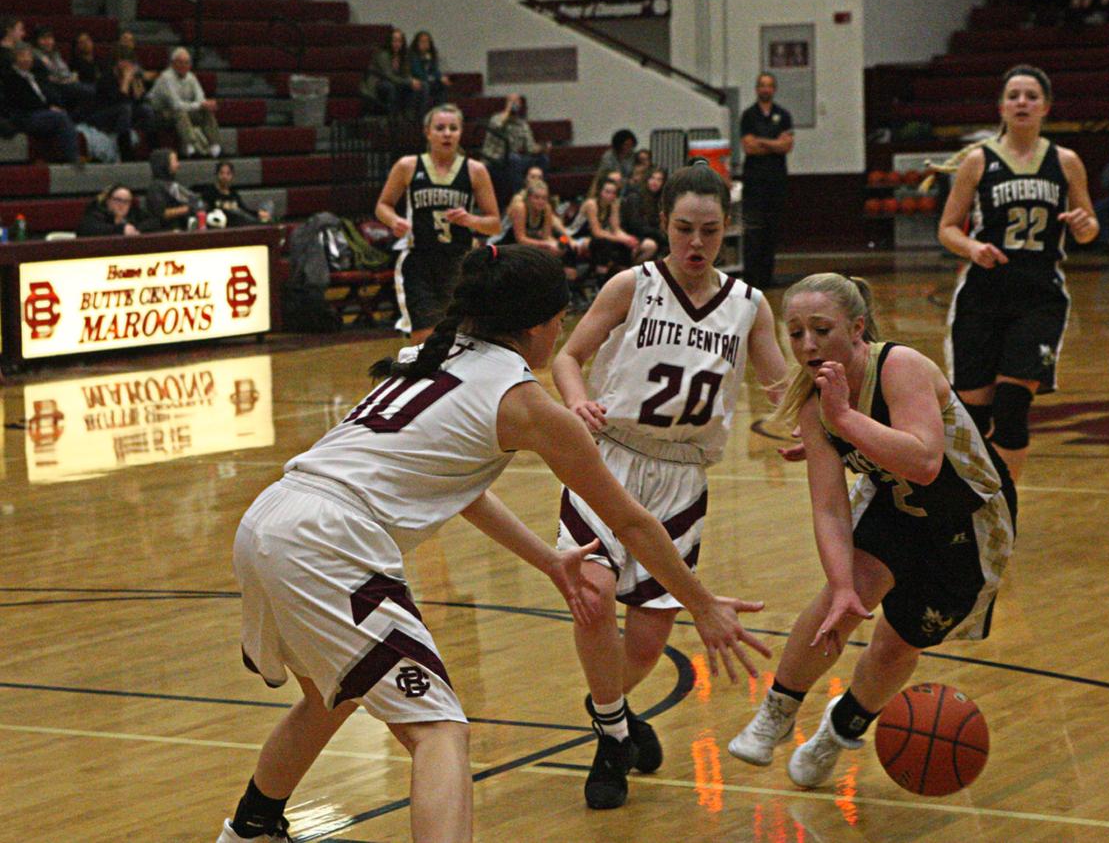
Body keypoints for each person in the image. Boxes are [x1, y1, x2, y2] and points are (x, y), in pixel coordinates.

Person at [213, 243, 770, 843]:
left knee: (333, 696)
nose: (561, 331)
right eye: (560, 318)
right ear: (537, 325)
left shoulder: (431, 356)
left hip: (271, 519)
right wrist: (702, 603)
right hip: (327, 542)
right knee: (440, 730)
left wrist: (549, 559)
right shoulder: (525, 403)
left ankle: (251, 828)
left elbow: (459, 489)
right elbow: (631, 523)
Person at [552, 163, 790, 809]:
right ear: (664, 225)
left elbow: (780, 387)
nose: (696, 243)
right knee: (593, 594)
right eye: (684, 228)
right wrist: (575, 401)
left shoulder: (749, 305)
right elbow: (568, 356)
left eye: (709, 231)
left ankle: (611, 711)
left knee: (648, 640)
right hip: (610, 457)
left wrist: (812, 427)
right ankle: (612, 740)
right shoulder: (633, 285)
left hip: (683, 475)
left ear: (726, 229)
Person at [727, 273, 1016, 790]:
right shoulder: (814, 404)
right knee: (841, 601)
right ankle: (778, 710)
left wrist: (844, 418)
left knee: (895, 645)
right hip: (893, 505)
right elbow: (829, 509)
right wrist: (841, 585)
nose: (807, 344)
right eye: (796, 333)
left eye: (821, 330)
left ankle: (840, 729)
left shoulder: (899, 367)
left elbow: (924, 462)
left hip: (968, 518)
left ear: (857, 328)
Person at [933, 65, 1099, 482]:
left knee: (1011, 409)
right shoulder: (977, 161)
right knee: (973, 414)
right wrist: (972, 248)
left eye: (1031, 96)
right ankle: (968, 497)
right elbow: (947, 228)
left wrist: (1084, 226)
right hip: (982, 296)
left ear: (1046, 107)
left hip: (1039, 297)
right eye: (1013, 96)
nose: (1022, 102)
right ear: (1002, 107)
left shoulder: (1066, 162)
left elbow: (1089, 227)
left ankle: (1002, 504)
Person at [375, 103, 500, 346]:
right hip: (419, 261)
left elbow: (494, 224)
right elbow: (383, 205)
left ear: (461, 132)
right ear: (427, 132)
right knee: (425, 339)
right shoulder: (408, 166)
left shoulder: (475, 170)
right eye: (440, 128)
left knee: (461, 337)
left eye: (453, 128)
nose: (447, 134)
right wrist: (394, 220)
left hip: (459, 262)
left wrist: (470, 219)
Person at [739, 72, 794, 289]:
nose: (765, 89)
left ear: (774, 89)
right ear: (757, 89)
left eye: (769, 85)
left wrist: (761, 141)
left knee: (772, 230)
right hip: (754, 181)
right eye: (762, 85)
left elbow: (786, 146)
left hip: (776, 180)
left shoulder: (784, 115)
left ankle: (767, 277)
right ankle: (752, 279)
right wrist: (774, 143)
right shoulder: (748, 115)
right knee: (754, 230)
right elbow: (749, 148)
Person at [1, 43, 81, 164]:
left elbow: (43, 95)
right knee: (60, 118)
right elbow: (24, 102)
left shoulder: (33, 76)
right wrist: (48, 108)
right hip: (24, 116)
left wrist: (52, 105)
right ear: (15, 58)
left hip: (38, 112)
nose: (27, 59)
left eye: (29, 56)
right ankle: (73, 158)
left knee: (67, 113)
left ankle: (58, 158)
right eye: (22, 56)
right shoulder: (11, 77)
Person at [148, 46, 222, 158]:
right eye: (180, 63)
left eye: (187, 63)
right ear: (173, 64)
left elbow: (200, 97)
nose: (184, 66)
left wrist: (205, 105)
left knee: (205, 111)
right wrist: (199, 105)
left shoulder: (191, 77)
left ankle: (215, 147)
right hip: (160, 113)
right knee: (180, 112)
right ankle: (190, 146)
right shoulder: (166, 78)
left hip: (182, 110)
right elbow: (176, 104)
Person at [481, 93, 550, 208]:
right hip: (494, 159)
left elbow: (530, 148)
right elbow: (497, 126)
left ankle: (540, 193)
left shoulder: (522, 124)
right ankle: (518, 196)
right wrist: (508, 111)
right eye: (511, 101)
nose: (514, 104)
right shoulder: (496, 118)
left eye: (517, 102)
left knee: (543, 159)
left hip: (513, 159)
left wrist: (543, 148)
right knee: (514, 159)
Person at [580, 176, 651, 277]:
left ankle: (624, 275)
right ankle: (601, 278)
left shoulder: (614, 204)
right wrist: (622, 239)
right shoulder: (591, 204)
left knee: (625, 245)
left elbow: (616, 229)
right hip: (578, 236)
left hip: (596, 237)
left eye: (613, 193)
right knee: (604, 244)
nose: (610, 195)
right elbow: (597, 232)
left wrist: (629, 239)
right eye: (607, 192)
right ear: (600, 192)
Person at [91, 57, 155, 161]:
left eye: (132, 64)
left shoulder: (129, 78)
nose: (130, 67)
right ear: (119, 63)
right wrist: (126, 81)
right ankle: (126, 153)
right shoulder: (107, 78)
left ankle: (151, 150)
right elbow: (119, 101)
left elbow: (139, 101)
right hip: (103, 114)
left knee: (146, 110)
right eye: (128, 63)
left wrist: (136, 84)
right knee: (125, 109)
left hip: (123, 114)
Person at [361, 28, 419, 117]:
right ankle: (391, 118)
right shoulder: (383, 55)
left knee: (421, 86)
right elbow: (389, 76)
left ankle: (412, 118)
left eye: (399, 41)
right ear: (389, 42)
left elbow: (406, 73)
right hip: (377, 82)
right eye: (394, 41)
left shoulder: (403, 56)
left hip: (395, 81)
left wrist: (412, 81)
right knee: (391, 87)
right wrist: (409, 81)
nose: (397, 44)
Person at [197, 161, 272, 226]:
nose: (225, 176)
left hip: (242, 220)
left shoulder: (234, 193)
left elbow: (244, 210)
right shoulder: (210, 192)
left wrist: (258, 214)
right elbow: (204, 211)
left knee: (268, 205)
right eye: (222, 173)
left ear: (232, 176)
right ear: (217, 175)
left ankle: (262, 222)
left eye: (228, 174)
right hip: (224, 224)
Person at [144, 147, 198, 230]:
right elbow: (161, 213)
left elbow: (191, 199)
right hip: (164, 229)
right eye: (175, 161)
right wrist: (187, 209)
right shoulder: (156, 187)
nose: (178, 165)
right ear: (164, 164)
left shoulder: (172, 184)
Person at [622, 165, 668, 258]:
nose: (655, 182)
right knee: (654, 244)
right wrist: (659, 235)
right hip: (633, 235)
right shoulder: (635, 197)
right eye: (652, 178)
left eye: (659, 179)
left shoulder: (659, 199)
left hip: (650, 234)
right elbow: (635, 226)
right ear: (647, 179)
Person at [78, 184, 156, 237]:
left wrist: (136, 229)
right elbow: (87, 229)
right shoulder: (96, 213)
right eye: (118, 200)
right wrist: (120, 229)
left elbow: (154, 222)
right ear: (108, 201)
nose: (122, 204)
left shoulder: (134, 213)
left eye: (126, 201)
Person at [408, 30, 450, 117]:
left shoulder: (430, 55)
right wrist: (431, 76)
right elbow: (417, 72)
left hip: (428, 80)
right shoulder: (413, 56)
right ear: (417, 43)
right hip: (417, 81)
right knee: (425, 86)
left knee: (443, 84)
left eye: (427, 41)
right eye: (422, 41)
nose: (425, 44)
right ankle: (422, 116)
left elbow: (434, 70)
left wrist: (441, 77)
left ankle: (439, 113)